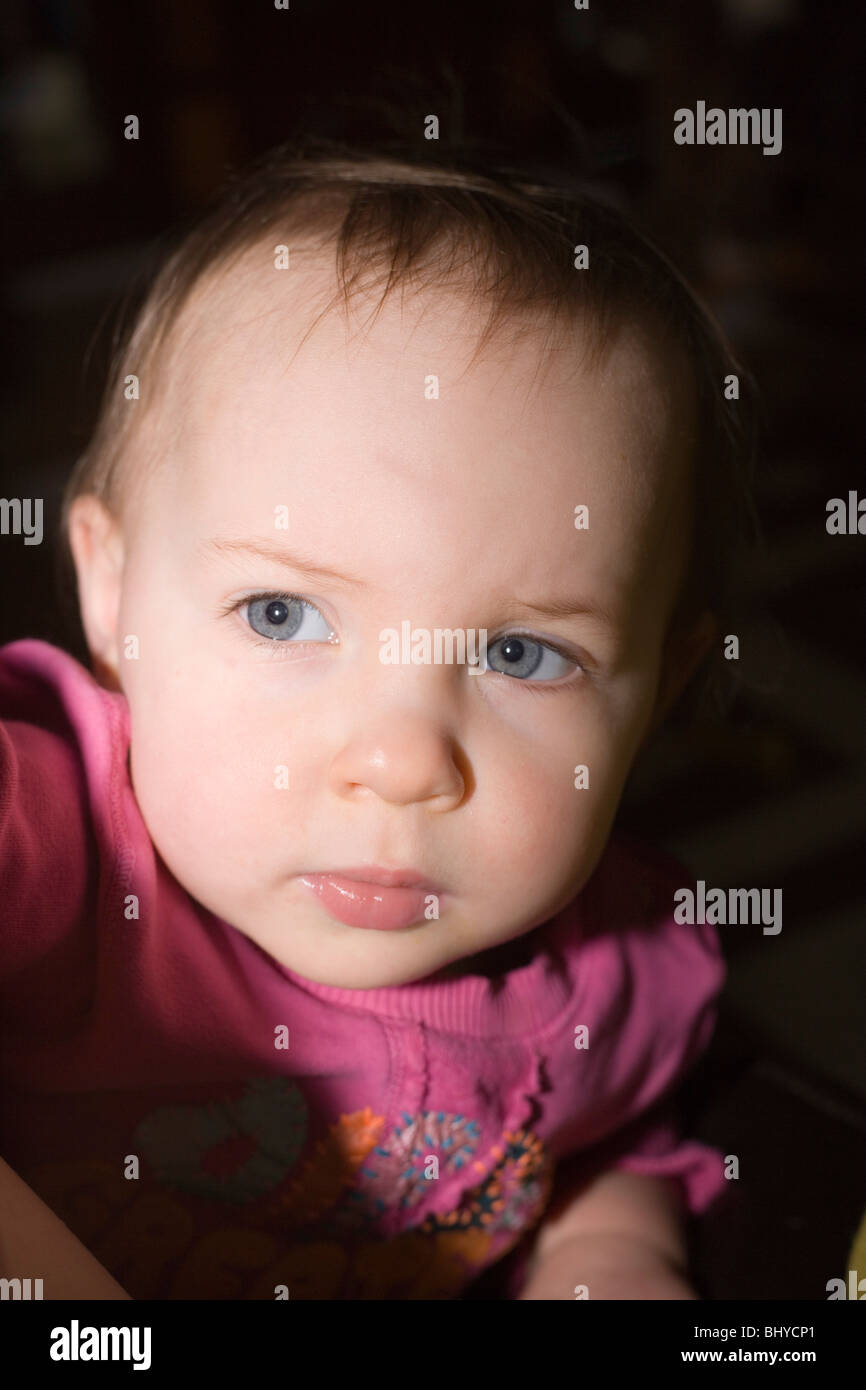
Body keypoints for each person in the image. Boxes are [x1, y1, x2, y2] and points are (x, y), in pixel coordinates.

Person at [0, 142, 757, 1300]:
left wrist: (611, 1256)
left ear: (655, 689)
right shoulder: (56, 833)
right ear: (111, 593)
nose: (400, 764)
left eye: (520, 653)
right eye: (281, 613)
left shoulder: (626, 982)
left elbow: (610, 1146)